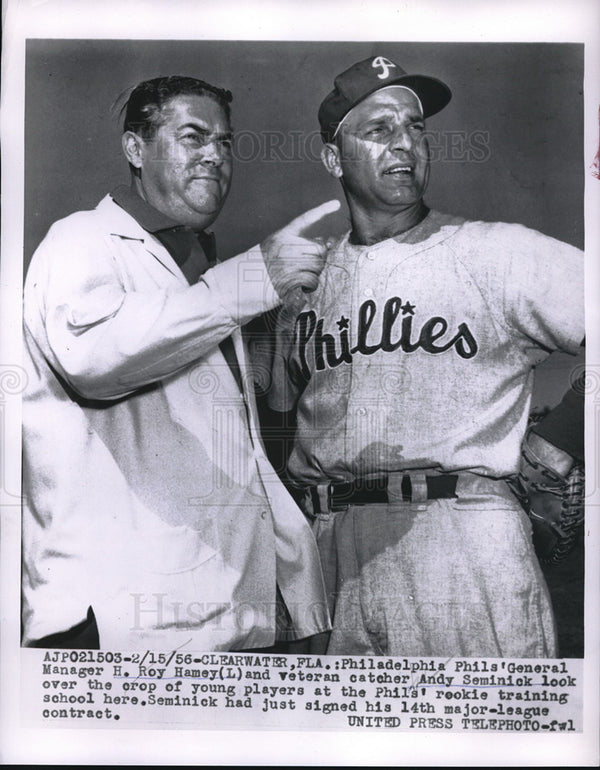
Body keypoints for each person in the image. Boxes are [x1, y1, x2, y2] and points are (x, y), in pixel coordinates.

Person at [267, 56, 584, 657]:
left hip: (461, 538)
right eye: (379, 130)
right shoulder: (302, 287)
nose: (405, 143)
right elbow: (275, 425)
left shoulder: (497, 252)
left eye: (416, 128)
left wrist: (558, 442)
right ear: (334, 159)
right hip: (329, 551)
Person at [22, 75, 338, 650]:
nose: (216, 155)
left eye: (225, 141)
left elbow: (240, 461)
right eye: (193, 136)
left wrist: (301, 594)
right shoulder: (82, 239)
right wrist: (252, 278)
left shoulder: (195, 273)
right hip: (122, 626)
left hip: (225, 621)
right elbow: (93, 359)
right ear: (135, 149)